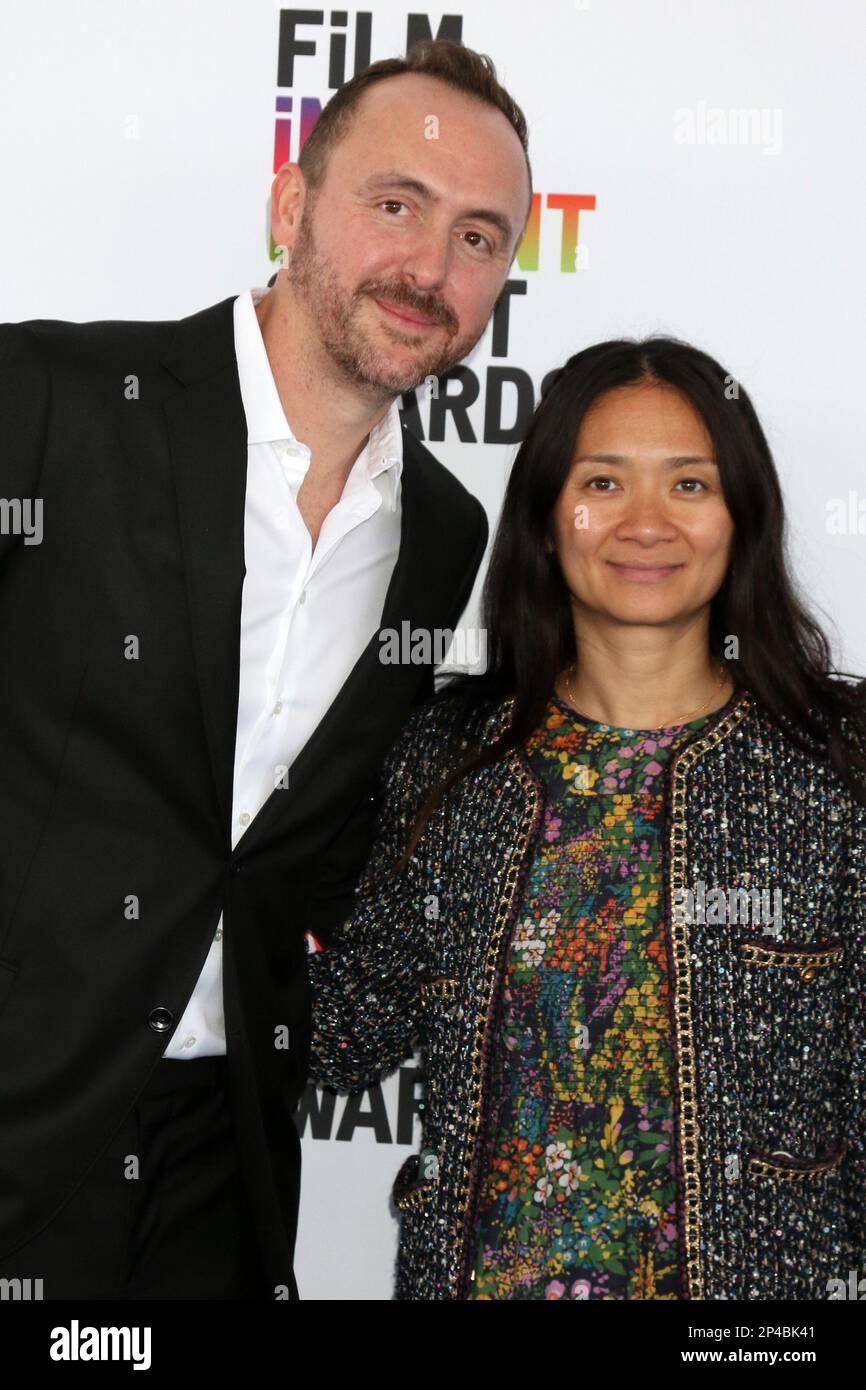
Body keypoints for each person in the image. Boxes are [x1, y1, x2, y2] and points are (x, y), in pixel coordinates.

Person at [0, 39, 533, 1298]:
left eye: (477, 236)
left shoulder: (446, 534)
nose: (429, 268)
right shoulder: (52, 396)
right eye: (394, 204)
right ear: (291, 204)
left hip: (221, 1171)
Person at [308, 334, 866, 1300]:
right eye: (602, 483)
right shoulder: (450, 759)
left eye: (688, 485)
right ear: (547, 517)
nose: (645, 523)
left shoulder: (836, 768)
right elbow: (343, 1035)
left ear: (742, 515)